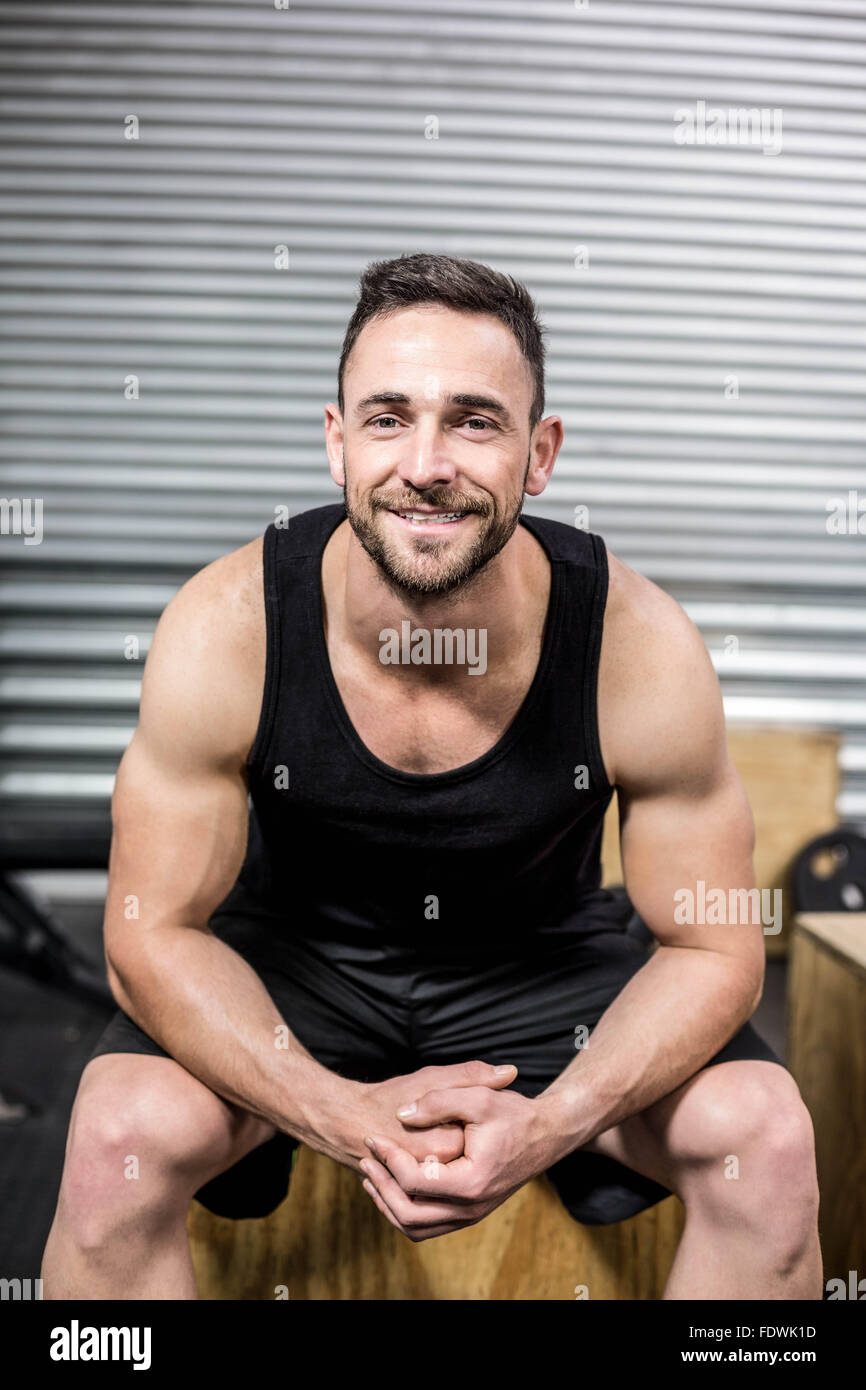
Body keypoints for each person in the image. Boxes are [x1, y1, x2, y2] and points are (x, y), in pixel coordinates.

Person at [42, 253, 821, 1300]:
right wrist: (334, 1108)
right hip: (294, 972)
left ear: (539, 453)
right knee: (115, 1137)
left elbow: (711, 946)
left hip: (542, 975)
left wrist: (549, 1125)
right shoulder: (225, 626)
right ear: (335, 441)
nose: (425, 463)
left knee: (763, 1141)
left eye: (473, 421)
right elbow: (150, 934)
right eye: (387, 418)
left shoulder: (639, 645)